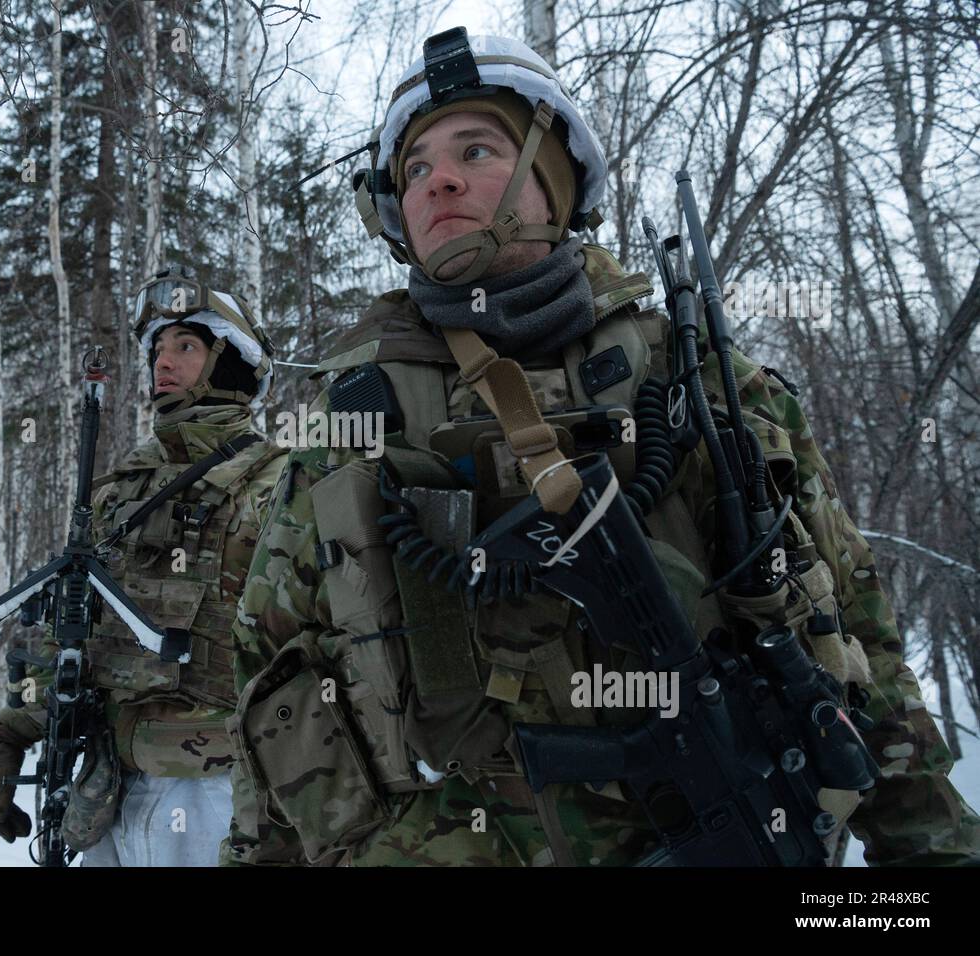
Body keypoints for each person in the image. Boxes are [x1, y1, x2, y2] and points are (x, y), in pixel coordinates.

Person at [221, 29, 980, 866]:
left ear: (558, 179)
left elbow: (857, 633)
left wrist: (928, 856)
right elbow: (271, 678)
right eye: (413, 169)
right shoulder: (350, 422)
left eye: (477, 149)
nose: (438, 179)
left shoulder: (702, 381)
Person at [0, 270, 286, 865]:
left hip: (219, 797)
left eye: (186, 346)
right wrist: (11, 734)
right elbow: (67, 627)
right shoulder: (118, 494)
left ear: (233, 363)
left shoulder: (278, 485)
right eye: (157, 350)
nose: (162, 363)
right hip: (106, 787)